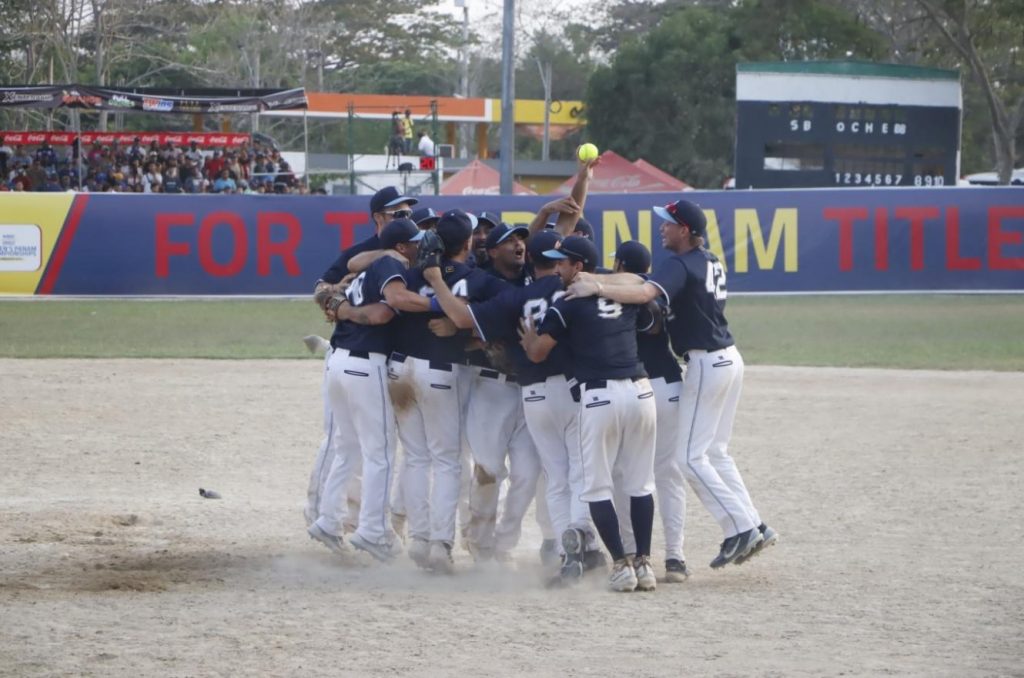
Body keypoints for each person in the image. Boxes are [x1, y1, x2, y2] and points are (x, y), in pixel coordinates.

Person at [565, 198, 778, 569]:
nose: (662, 227)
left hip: (707, 362)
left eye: (668, 223)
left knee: (689, 457)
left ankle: (740, 527)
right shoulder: (708, 259)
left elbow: (646, 293)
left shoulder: (679, 263)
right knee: (715, 452)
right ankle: (755, 523)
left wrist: (597, 287)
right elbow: (648, 287)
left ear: (685, 231)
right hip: (729, 358)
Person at [427, 229, 603, 583]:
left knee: (528, 474)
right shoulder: (561, 288)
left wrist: (434, 279)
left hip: (530, 393)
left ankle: (505, 546)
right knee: (494, 469)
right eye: (510, 241)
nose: (518, 246)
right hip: (501, 390)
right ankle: (482, 542)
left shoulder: (519, 294)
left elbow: (462, 320)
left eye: (523, 242)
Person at [520, 235, 658, 593]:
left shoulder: (567, 303)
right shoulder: (622, 294)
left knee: (597, 487)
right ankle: (644, 563)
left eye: (562, 263)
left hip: (600, 396)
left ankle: (621, 566)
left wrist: (527, 339)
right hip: (642, 391)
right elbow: (641, 283)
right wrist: (601, 284)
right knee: (640, 483)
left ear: (578, 266)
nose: (557, 269)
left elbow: (537, 353)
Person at [309, 217, 427, 562]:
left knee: (348, 448)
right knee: (381, 452)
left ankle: (328, 521)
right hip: (365, 363)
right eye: (415, 241)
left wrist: (346, 311)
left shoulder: (370, 266)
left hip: (338, 362)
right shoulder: (392, 264)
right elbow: (383, 313)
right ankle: (373, 531)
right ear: (402, 247)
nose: (421, 246)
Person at [612, 240, 690, 582]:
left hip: (636, 388)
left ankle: (631, 551)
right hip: (670, 384)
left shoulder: (614, 295)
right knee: (668, 472)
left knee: (624, 473)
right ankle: (675, 557)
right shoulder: (659, 294)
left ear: (618, 266)